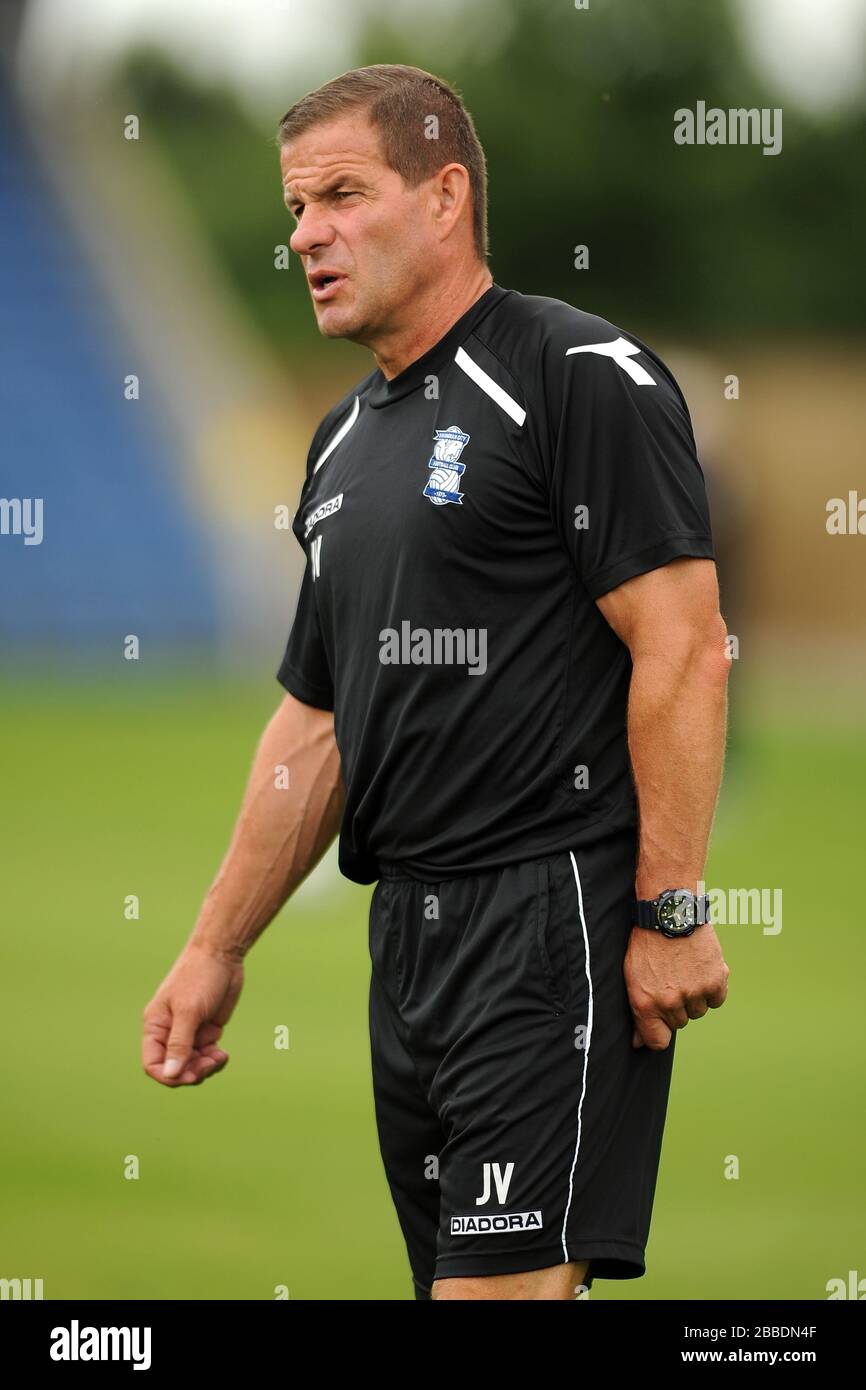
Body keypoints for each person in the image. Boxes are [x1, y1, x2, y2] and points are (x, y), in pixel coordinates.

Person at [143, 64, 731, 1302]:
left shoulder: (574, 372)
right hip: (404, 938)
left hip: (548, 922)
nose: (305, 234)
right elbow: (316, 723)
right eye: (296, 209)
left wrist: (669, 908)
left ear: (446, 194)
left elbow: (679, 641)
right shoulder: (342, 441)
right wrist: (214, 946)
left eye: (341, 196)